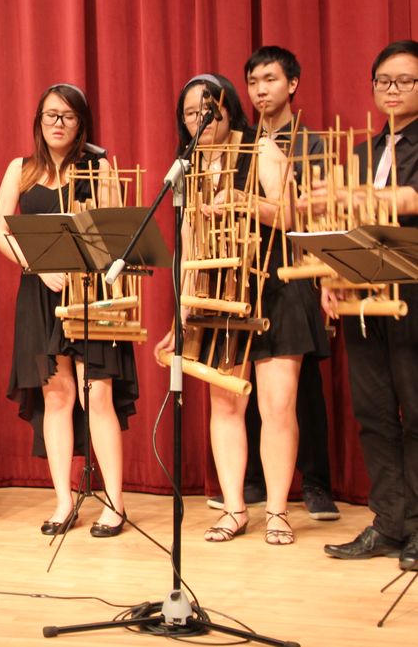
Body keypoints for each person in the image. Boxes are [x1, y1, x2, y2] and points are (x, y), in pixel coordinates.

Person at [154, 74, 297, 545]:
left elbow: (291, 215)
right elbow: (188, 245)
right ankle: (234, 508)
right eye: (191, 113)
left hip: (272, 287)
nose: (200, 120)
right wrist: (182, 314)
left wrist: (243, 199)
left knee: (277, 405)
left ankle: (276, 510)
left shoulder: (260, 150)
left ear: (228, 109)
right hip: (217, 291)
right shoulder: (189, 166)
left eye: (208, 110)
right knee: (225, 402)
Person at [0, 84, 134, 537]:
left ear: (80, 125)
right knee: (56, 395)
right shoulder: (21, 169)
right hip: (39, 293)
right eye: (51, 115)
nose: (57, 123)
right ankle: (62, 502)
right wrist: (37, 265)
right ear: (38, 120)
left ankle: (115, 502)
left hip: (89, 293)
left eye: (67, 117)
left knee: (98, 394)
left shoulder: (99, 166)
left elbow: (115, 233)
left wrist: (82, 267)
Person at [228, 47, 337, 522]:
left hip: (299, 271)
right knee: (250, 385)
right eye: (253, 82)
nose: (260, 90)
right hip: (248, 274)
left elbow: (318, 213)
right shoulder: (241, 142)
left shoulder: (311, 142)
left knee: (302, 386)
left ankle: (315, 484)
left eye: (269, 80)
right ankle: (254, 481)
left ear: (292, 84)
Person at [321, 40, 418, 570]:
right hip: (364, 301)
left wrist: (390, 200)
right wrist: (331, 279)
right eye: (384, 80)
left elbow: (407, 203)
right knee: (375, 414)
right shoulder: (361, 152)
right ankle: (389, 522)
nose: (392, 90)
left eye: (404, 81)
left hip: (412, 297)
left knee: (417, 413)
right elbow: (344, 225)